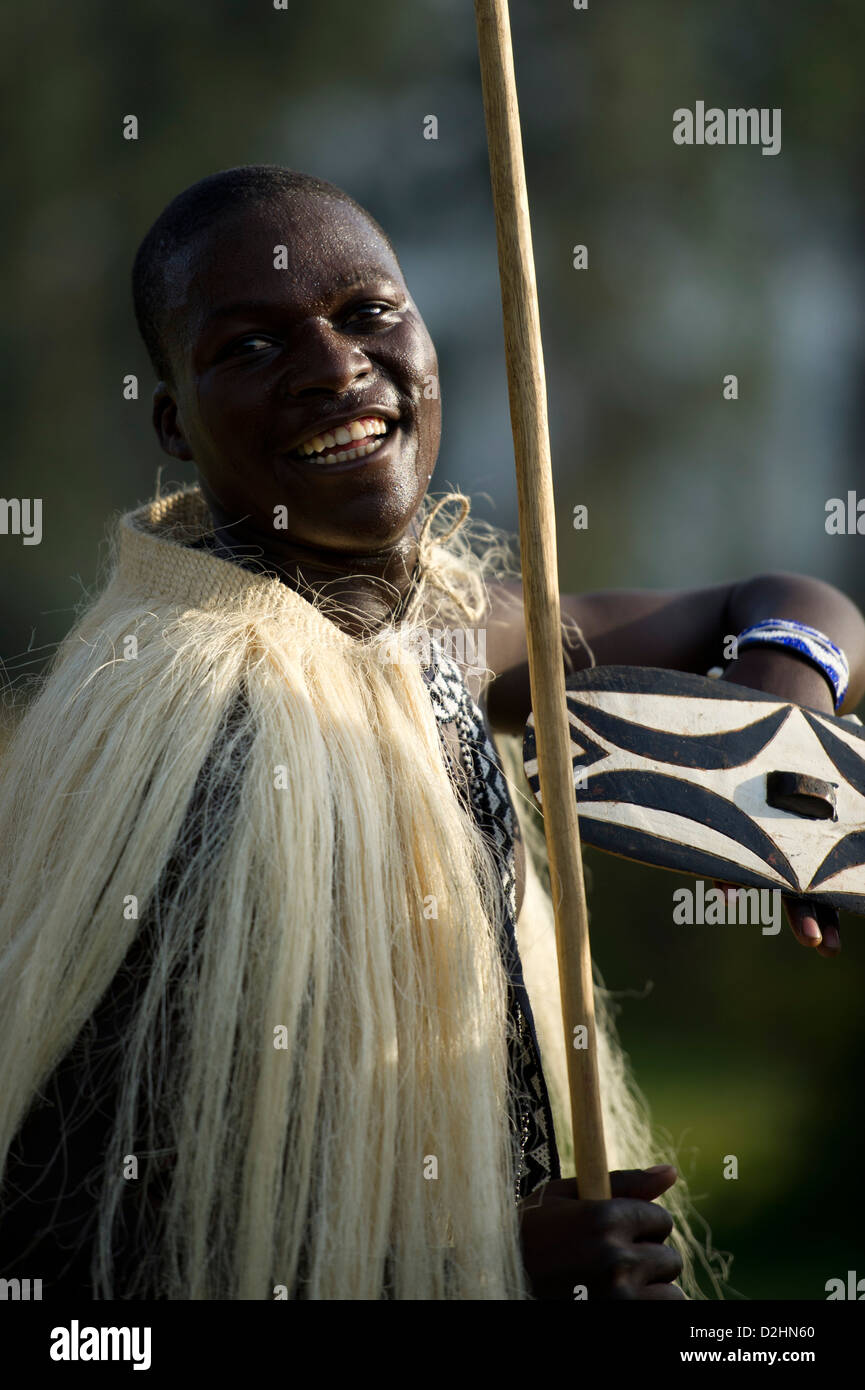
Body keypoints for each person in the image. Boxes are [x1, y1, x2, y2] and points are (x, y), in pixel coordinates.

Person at [0, 165, 862, 1301]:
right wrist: (479, 1270)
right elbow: (89, 1256)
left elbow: (780, 597)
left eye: (366, 314)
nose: (332, 366)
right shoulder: (175, 742)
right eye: (250, 347)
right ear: (173, 418)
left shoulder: (444, 636)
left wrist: (773, 746)